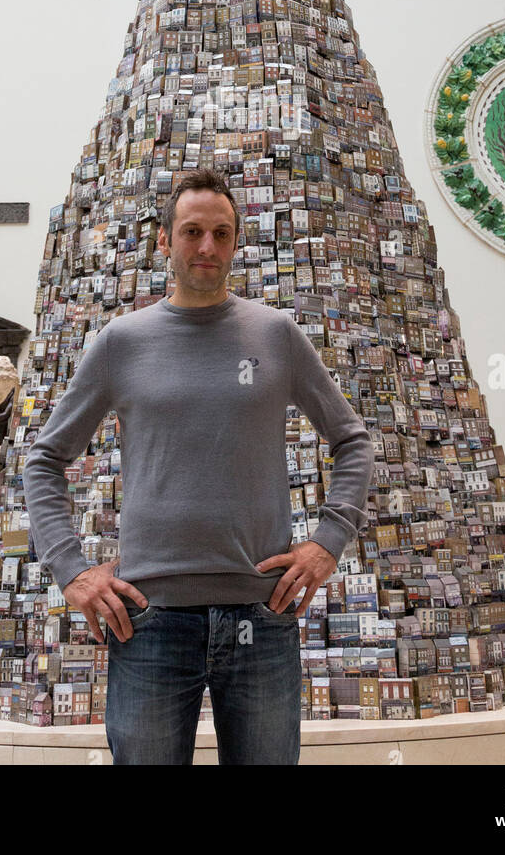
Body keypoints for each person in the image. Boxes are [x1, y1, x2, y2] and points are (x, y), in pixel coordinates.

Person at [23, 168, 374, 765]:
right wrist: (73, 571)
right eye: (191, 232)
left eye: (221, 233)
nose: (206, 247)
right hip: (149, 620)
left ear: (235, 242)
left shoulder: (276, 334)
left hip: (261, 617)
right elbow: (45, 459)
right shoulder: (121, 342)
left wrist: (326, 544)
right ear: (165, 241)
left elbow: (353, 440)